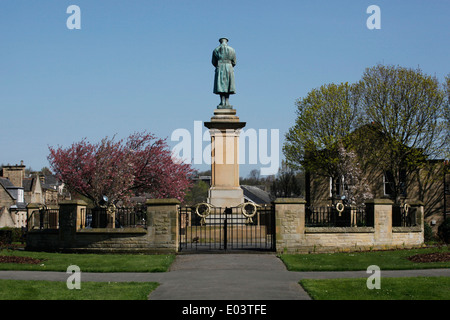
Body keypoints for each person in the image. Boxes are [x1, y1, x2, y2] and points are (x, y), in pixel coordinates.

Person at [212, 38, 236, 108]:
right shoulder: (232, 50)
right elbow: (234, 62)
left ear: (220, 42)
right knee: (228, 85)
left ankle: (222, 101)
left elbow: (213, 62)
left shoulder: (216, 50)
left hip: (220, 67)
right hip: (229, 67)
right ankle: (227, 101)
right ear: (227, 42)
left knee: (221, 85)